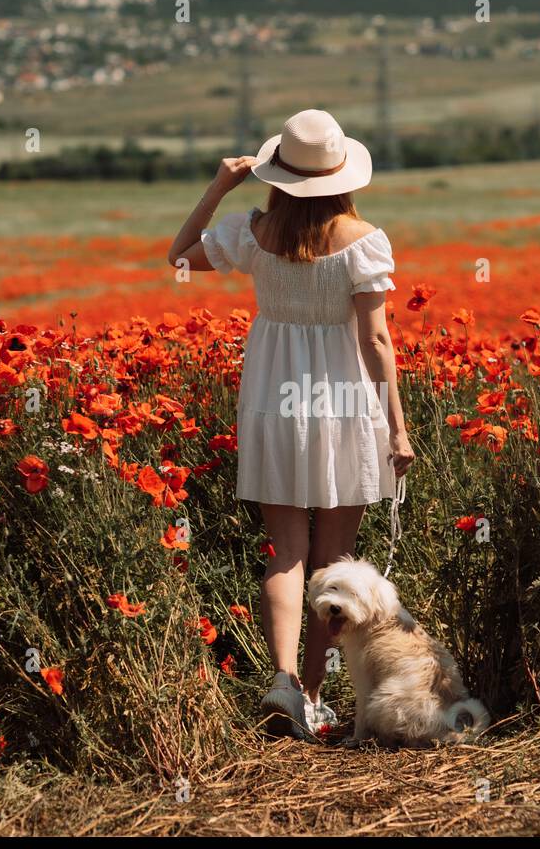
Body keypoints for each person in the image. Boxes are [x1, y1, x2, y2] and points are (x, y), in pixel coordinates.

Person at [167, 109, 415, 738]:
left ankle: (282, 684)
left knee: (285, 552)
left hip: (273, 396)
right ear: (341, 175)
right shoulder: (365, 241)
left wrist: (220, 185)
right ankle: (311, 693)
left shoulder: (252, 232)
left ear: (278, 175)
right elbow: (377, 340)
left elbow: (178, 256)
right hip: (343, 402)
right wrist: (398, 427)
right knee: (334, 562)